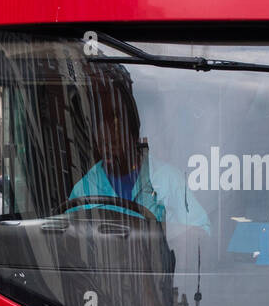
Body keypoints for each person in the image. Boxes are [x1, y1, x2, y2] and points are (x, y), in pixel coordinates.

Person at [68, 65, 210, 232]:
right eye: (99, 122)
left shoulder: (167, 180)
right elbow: (67, 243)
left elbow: (200, 233)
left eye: (115, 120)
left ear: (132, 129)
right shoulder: (84, 189)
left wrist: (165, 233)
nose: (105, 134)